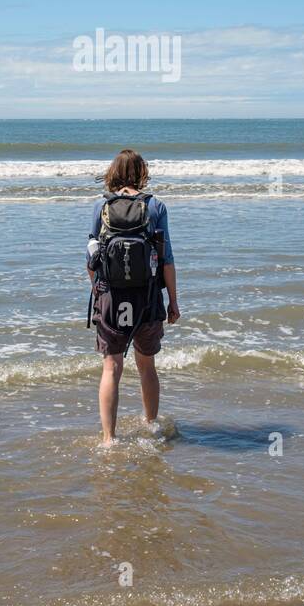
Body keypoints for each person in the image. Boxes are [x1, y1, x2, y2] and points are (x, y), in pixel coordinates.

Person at [86, 148, 180, 445]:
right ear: (142, 172)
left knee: (111, 367)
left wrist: (98, 293)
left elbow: (91, 258)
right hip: (148, 297)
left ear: (113, 172)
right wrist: (173, 303)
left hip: (111, 298)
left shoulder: (101, 206)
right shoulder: (156, 206)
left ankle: (109, 439)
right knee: (146, 366)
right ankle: (151, 425)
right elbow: (166, 259)